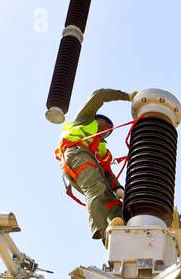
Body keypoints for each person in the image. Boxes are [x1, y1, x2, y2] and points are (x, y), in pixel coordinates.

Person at [55, 88, 133, 244]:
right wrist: (128, 97)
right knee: (95, 188)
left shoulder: (102, 150)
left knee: (114, 205)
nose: (104, 131)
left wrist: (119, 189)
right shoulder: (83, 121)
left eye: (108, 132)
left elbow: (107, 172)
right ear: (94, 119)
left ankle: (124, 233)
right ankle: (103, 231)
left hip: (91, 166)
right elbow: (100, 95)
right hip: (77, 155)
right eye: (102, 125)